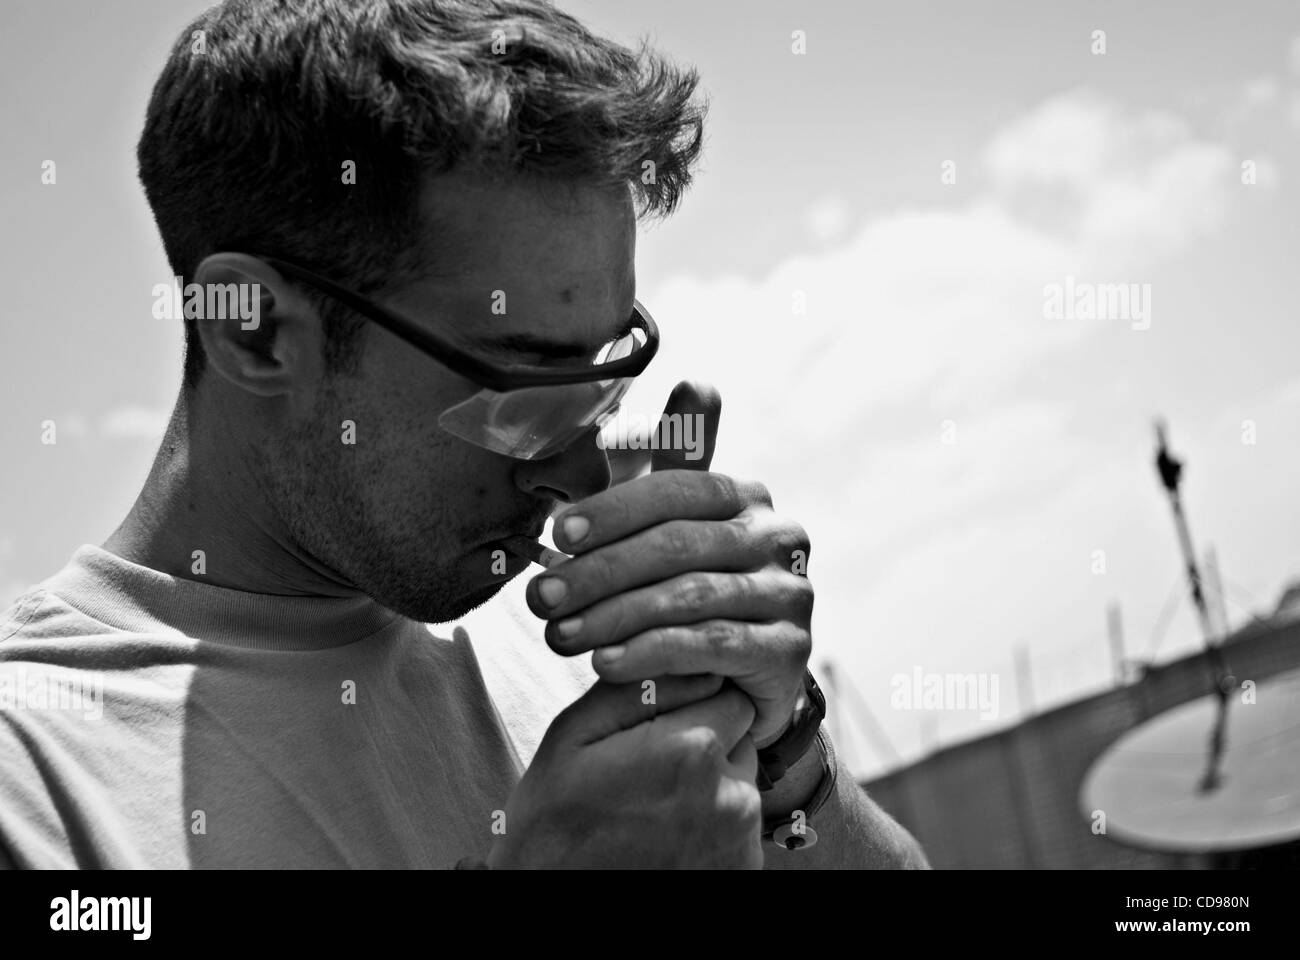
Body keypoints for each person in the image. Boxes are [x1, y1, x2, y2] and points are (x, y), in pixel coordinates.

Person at [0, 0, 927, 869]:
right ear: (256, 331)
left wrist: (783, 750)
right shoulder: (36, 779)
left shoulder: (592, 644)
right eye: (521, 391)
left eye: (603, 371)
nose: (581, 471)